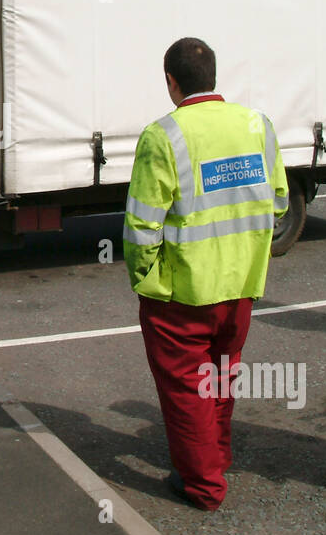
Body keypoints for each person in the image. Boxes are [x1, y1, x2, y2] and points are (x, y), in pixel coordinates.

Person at [123, 37, 288, 511]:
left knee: (187, 390)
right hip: (240, 286)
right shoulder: (258, 125)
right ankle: (216, 458)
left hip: (183, 293)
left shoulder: (164, 135)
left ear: (171, 82)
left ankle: (203, 485)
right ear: (213, 76)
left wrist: (146, 279)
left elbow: (141, 225)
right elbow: (277, 202)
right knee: (219, 377)